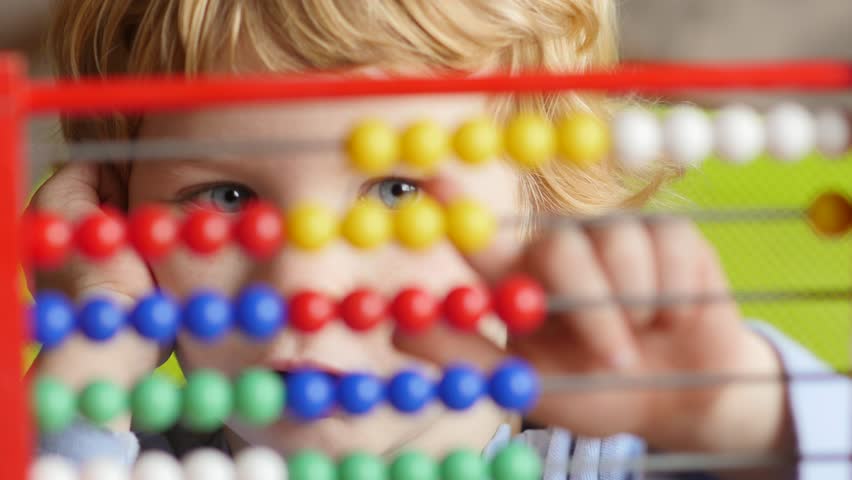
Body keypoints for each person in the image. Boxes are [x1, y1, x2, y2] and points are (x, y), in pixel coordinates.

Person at [33, 0, 850, 478]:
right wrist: (94, 340)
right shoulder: (115, 458)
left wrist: (731, 413)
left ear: (543, 201)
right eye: (228, 197)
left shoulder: (625, 459)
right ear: (118, 212)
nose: (304, 282)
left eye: (399, 190)